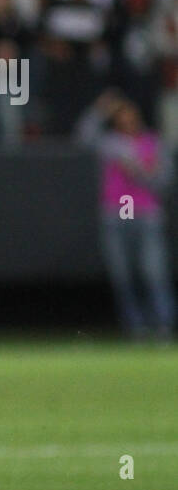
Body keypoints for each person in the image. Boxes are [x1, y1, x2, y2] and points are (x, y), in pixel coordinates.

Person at [76, 90, 175, 338]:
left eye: (132, 118)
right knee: (123, 275)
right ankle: (136, 327)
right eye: (122, 118)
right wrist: (100, 109)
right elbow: (83, 135)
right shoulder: (110, 143)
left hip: (146, 214)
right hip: (116, 214)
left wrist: (143, 172)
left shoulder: (153, 142)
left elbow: (165, 181)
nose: (128, 123)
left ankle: (163, 325)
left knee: (153, 272)